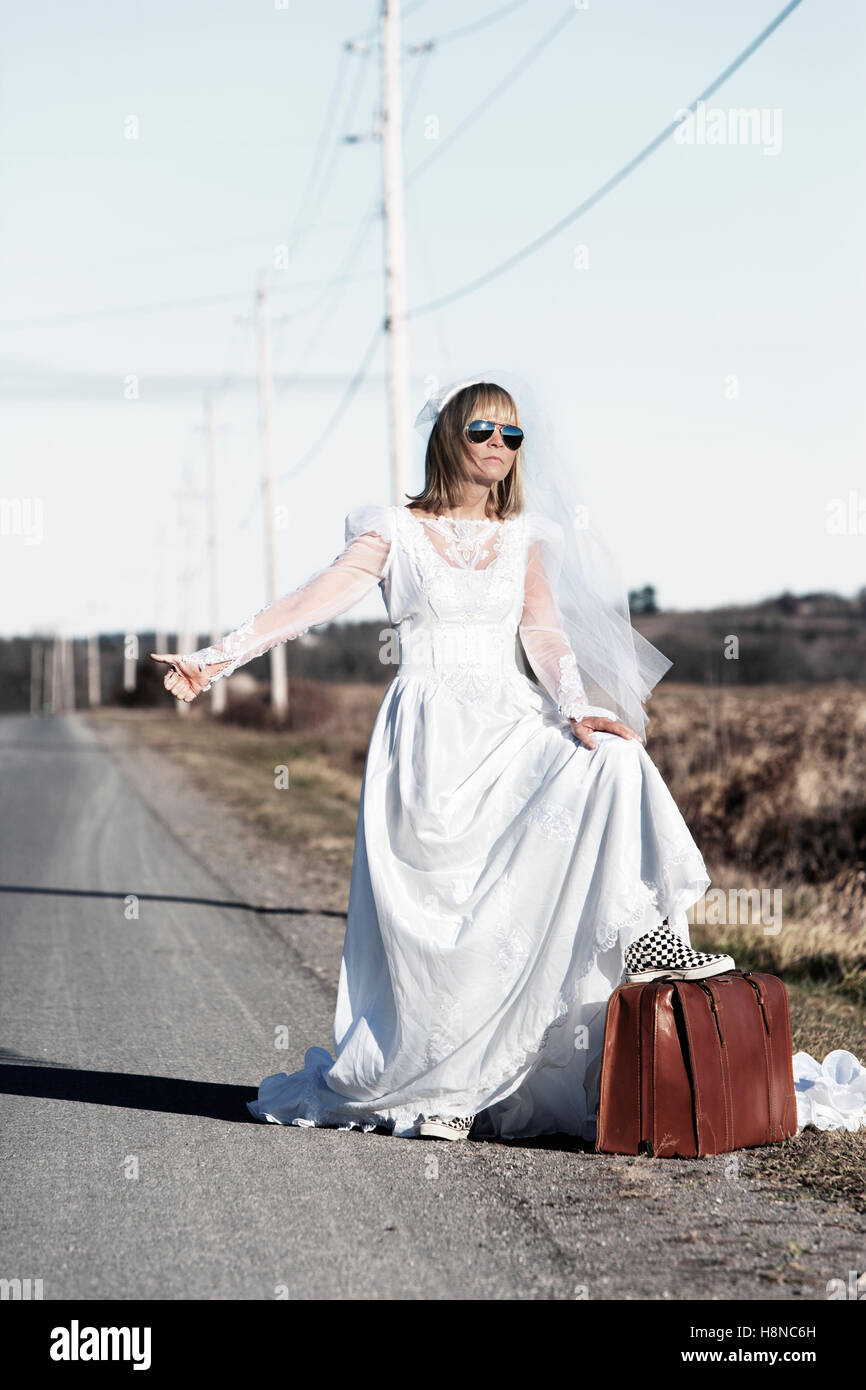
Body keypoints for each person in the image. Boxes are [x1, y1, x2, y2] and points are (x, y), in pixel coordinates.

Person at [151, 380, 861, 1141]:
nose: (499, 444)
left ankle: (653, 938)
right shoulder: (393, 528)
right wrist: (213, 661)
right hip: (427, 736)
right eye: (486, 428)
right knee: (447, 920)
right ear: (453, 432)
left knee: (616, 765)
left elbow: (543, 633)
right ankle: (443, 1087)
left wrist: (574, 703)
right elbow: (311, 601)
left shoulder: (526, 537)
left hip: (512, 721)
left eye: (513, 436)